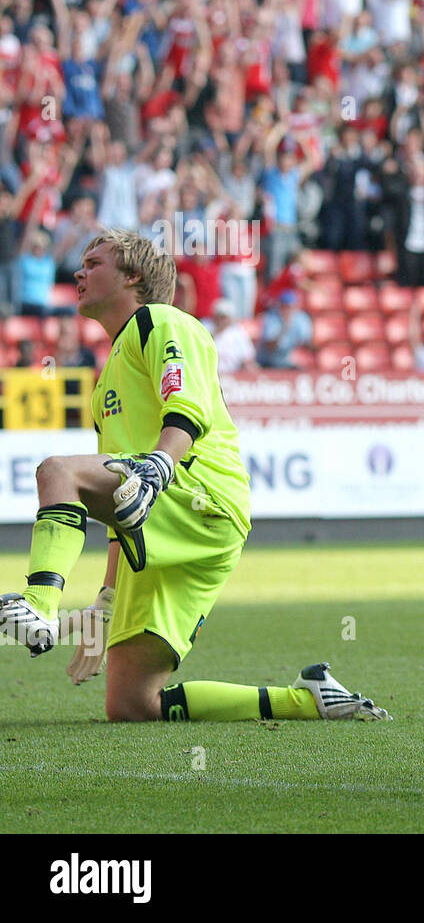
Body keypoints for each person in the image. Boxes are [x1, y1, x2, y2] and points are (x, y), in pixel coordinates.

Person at [0, 229, 389, 723]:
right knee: (131, 705)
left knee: (56, 470)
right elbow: (120, 503)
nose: (79, 272)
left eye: (94, 262)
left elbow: (186, 408)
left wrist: (160, 463)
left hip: (197, 494)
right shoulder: (106, 386)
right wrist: (103, 602)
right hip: (166, 520)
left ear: (133, 276)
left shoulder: (160, 321)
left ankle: (38, 602)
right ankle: (310, 699)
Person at [256, 289, 313, 369]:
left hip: (288, 362)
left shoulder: (301, 318)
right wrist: (285, 327)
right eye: (285, 306)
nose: (287, 310)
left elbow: (306, 343)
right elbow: (270, 346)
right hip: (267, 362)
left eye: (290, 307)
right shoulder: (270, 318)